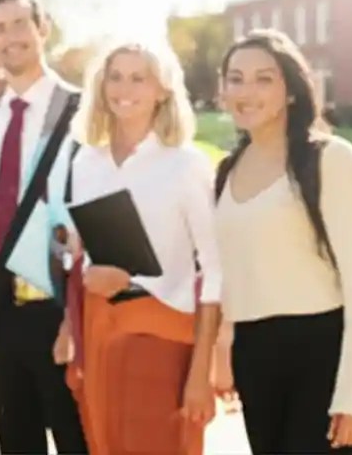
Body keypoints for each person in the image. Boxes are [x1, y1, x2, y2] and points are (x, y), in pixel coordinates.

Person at [214, 29, 352, 454]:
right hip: (255, 355)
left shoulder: (330, 158)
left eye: (264, 79)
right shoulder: (227, 170)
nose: (246, 91)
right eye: (235, 78)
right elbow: (231, 272)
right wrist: (224, 350)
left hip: (321, 351)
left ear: (291, 91)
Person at [62, 41, 222, 454]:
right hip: (99, 330)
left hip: (163, 336)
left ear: (163, 89)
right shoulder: (85, 163)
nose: (123, 88)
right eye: (114, 77)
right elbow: (82, 254)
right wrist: (73, 315)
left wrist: (203, 368)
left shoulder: (185, 165)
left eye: (138, 77)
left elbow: (216, 270)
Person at [0, 0, 89, 455]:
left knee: (74, 438)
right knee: (14, 442)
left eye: (20, 24)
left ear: (44, 29)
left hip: (55, 304)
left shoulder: (80, 110)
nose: (10, 37)